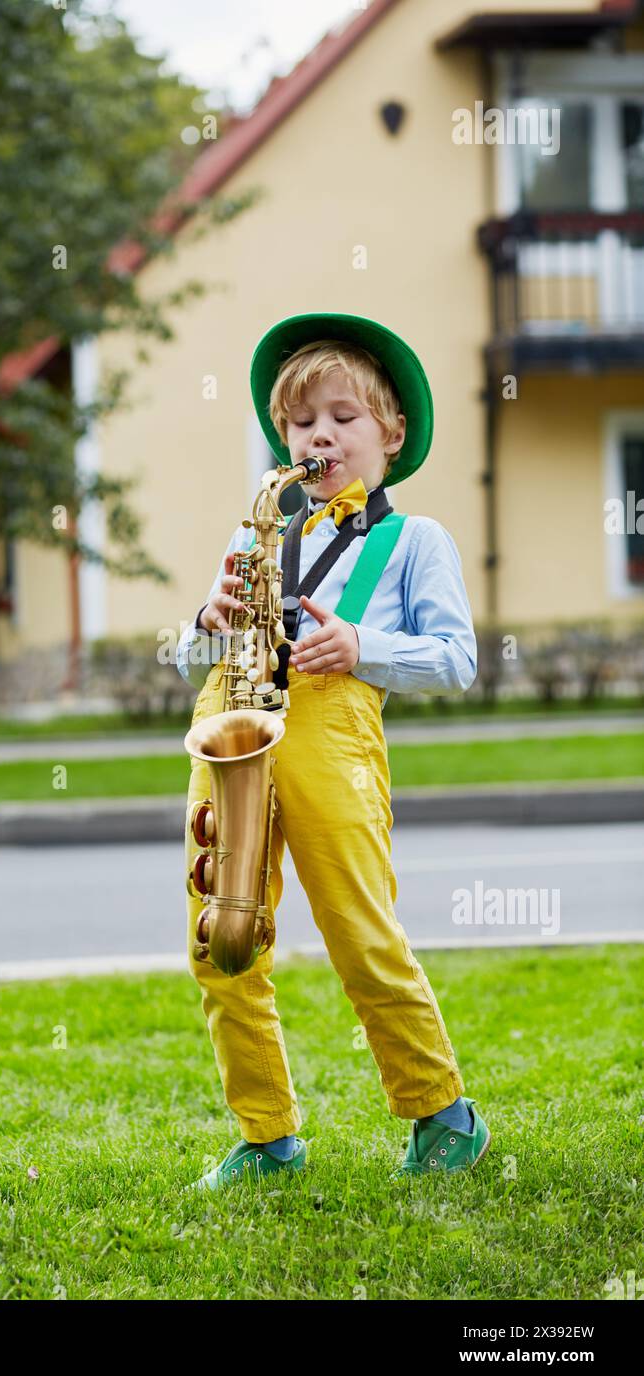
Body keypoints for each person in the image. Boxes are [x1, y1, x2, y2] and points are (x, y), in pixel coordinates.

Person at [176, 312, 491, 1189]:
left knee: (360, 933)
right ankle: (267, 1136)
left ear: (391, 433)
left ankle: (443, 1115)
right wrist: (206, 625)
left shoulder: (416, 540)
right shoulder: (257, 534)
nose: (319, 435)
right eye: (299, 422)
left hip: (334, 734)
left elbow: (459, 660)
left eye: (343, 418)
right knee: (221, 938)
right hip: (237, 724)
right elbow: (186, 653)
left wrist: (362, 647)